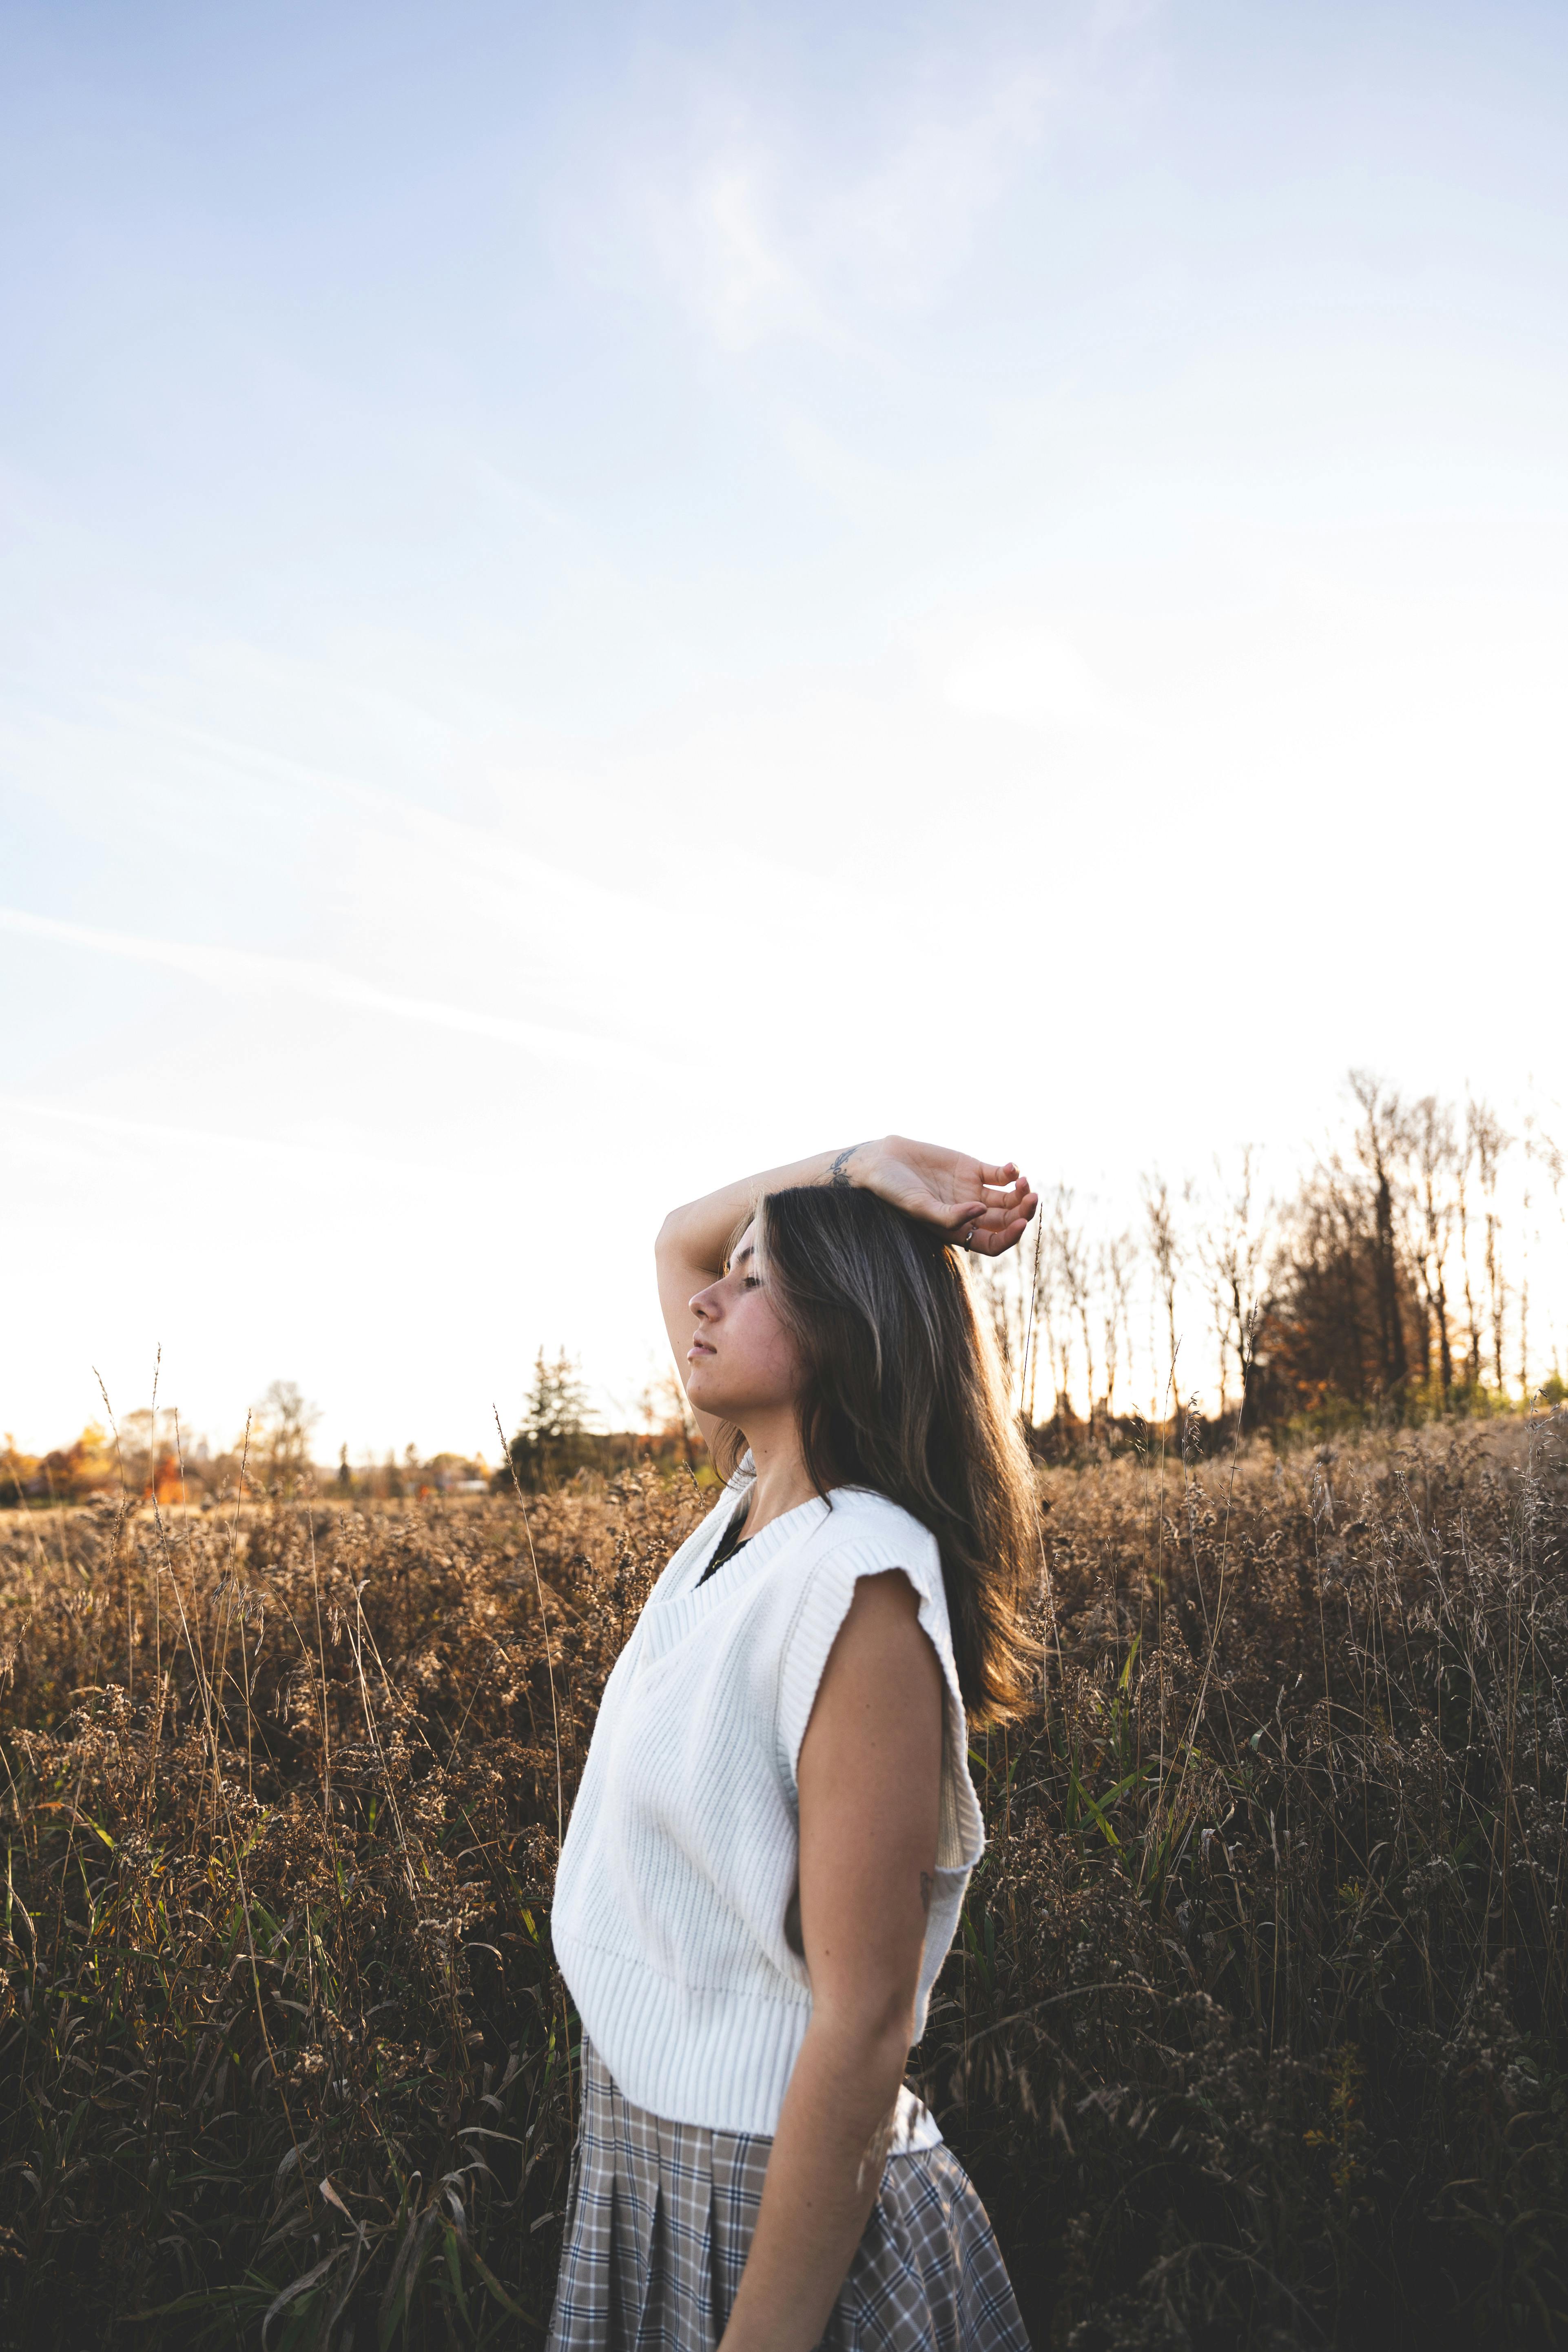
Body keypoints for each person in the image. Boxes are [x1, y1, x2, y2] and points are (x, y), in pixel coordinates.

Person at [546, 1136, 1041, 2351]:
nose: (709, 1295)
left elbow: (864, 2019)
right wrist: (863, 1162)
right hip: (648, 2149)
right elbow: (678, 1233)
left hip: (769, 2196)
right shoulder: (750, 1507)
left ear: (848, 1327)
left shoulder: (857, 1578)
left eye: (758, 1281)